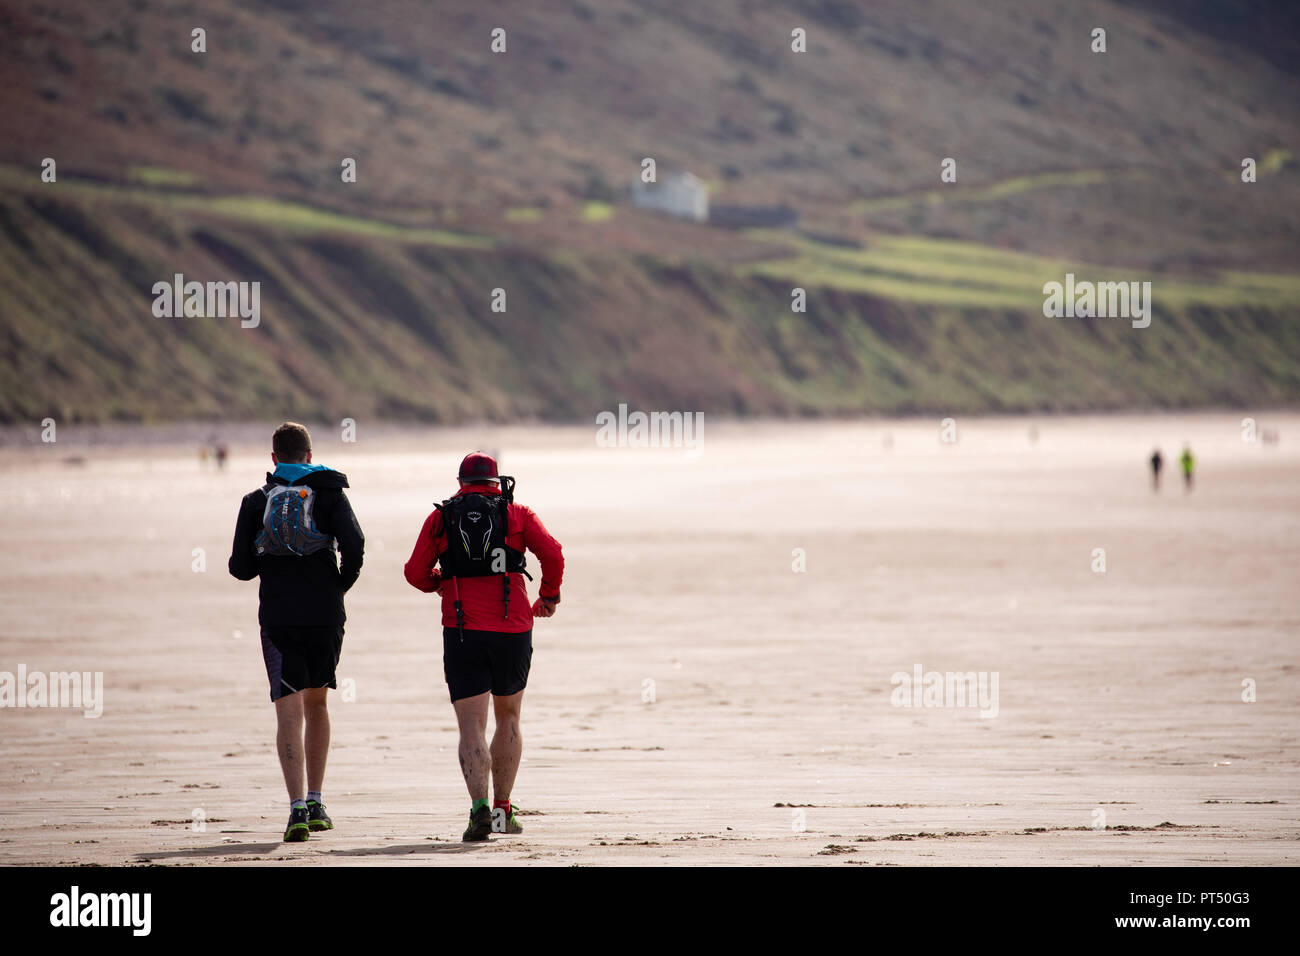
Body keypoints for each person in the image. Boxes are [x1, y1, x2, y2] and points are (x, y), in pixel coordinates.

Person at [403, 452, 564, 842]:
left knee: (471, 725)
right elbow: (553, 554)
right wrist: (548, 596)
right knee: (508, 717)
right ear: (497, 482)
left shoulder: (442, 518)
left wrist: (440, 582)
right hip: (512, 628)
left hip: (461, 629)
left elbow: (413, 572)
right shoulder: (518, 513)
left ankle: (477, 811)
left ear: (460, 482)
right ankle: (501, 812)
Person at [228, 422, 364, 842]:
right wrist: (338, 584)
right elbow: (356, 544)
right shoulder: (328, 493)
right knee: (318, 704)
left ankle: (296, 811)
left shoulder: (256, 501)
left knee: (287, 711)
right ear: (309, 455)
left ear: (273, 459)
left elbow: (239, 568)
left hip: (279, 618)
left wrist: (267, 560)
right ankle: (318, 798)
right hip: (325, 615)